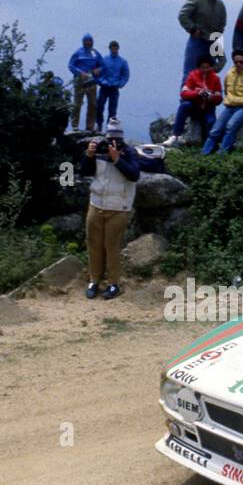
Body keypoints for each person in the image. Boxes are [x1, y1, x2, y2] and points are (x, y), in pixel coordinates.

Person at [81, 119, 140, 301]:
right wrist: (89, 155)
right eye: (109, 139)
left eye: (116, 139)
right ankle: (94, 280)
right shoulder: (99, 150)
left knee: (112, 247)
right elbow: (84, 172)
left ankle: (113, 283)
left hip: (119, 207)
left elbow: (134, 175)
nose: (112, 143)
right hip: (96, 203)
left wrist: (117, 159)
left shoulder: (129, 152)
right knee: (94, 244)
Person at [201, 49, 243, 153]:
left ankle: (221, 154)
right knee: (215, 130)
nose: (238, 64)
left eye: (241, 62)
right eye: (236, 62)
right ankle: (204, 154)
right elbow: (226, 90)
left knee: (230, 126)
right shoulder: (229, 74)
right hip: (229, 106)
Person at [163, 55, 222, 146]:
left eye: (208, 67)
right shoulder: (192, 76)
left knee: (211, 122)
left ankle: (209, 144)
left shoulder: (215, 79)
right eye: (203, 67)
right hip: (195, 106)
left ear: (211, 67)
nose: (205, 70)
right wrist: (197, 93)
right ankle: (175, 135)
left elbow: (219, 99)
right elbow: (184, 93)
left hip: (208, 108)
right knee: (184, 105)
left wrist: (211, 96)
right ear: (199, 67)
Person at [178, 0, 227, 84]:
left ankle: (208, 96)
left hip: (213, 41)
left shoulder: (221, 6)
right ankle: (186, 100)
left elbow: (222, 24)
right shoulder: (196, 1)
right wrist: (192, 29)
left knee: (220, 64)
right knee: (189, 72)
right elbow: (182, 15)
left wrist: (217, 39)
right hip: (197, 41)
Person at [67, 34, 102, 131]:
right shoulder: (78, 53)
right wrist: (80, 73)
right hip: (80, 81)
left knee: (93, 103)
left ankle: (90, 126)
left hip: (91, 81)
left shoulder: (95, 53)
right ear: (83, 42)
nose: (88, 43)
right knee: (77, 103)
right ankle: (75, 125)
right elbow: (71, 66)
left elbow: (102, 65)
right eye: (86, 41)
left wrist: (98, 70)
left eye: (90, 41)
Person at [94, 40, 130, 131]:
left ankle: (109, 128)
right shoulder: (104, 60)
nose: (114, 49)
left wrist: (120, 84)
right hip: (104, 87)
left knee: (112, 110)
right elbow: (97, 73)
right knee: (99, 107)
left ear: (118, 49)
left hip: (114, 88)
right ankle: (99, 125)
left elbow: (125, 75)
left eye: (115, 48)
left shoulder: (122, 61)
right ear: (109, 48)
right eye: (112, 48)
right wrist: (102, 81)